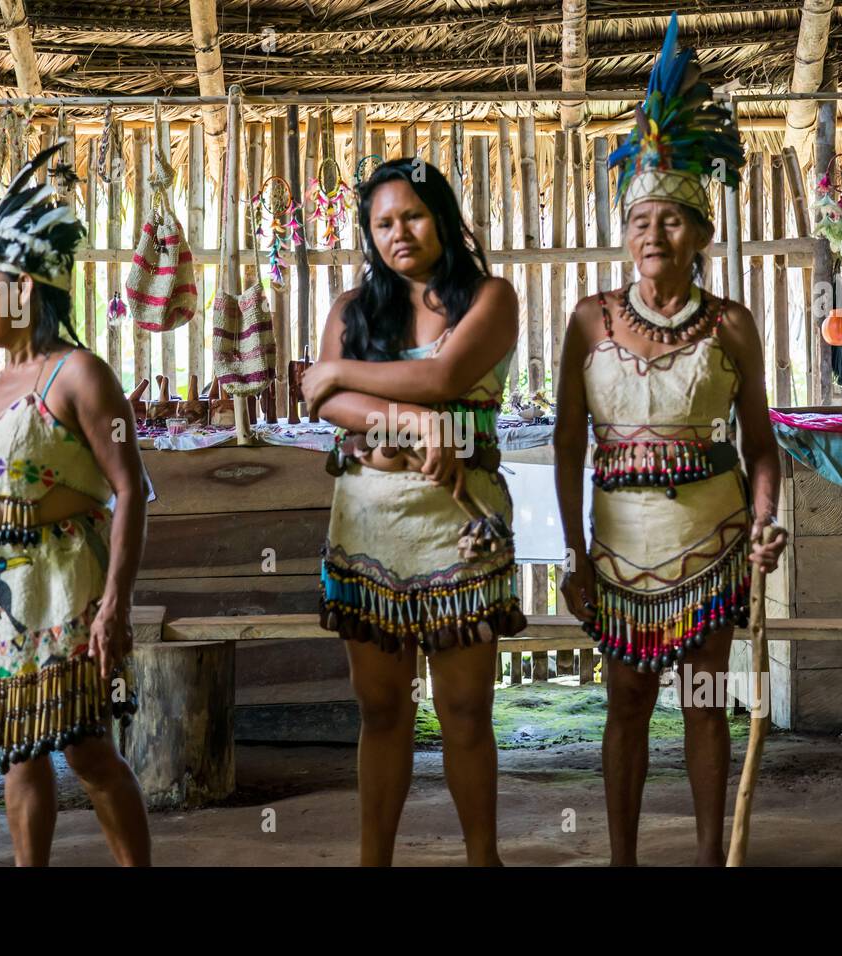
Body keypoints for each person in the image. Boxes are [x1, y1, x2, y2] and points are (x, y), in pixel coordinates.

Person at [553, 13, 786, 866]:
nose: (656, 232)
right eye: (641, 218)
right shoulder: (590, 322)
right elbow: (570, 443)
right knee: (625, 700)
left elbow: (762, 445)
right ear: (625, 230)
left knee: (701, 700)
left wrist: (763, 520)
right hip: (617, 545)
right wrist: (574, 555)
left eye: (674, 219)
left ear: (703, 233)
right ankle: (621, 858)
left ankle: (705, 855)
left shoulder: (730, 325)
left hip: (712, 541)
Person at [298, 158, 527, 866]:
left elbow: (445, 376)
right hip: (367, 522)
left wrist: (336, 370)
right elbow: (324, 403)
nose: (400, 233)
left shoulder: (491, 298)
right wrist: (400, 415)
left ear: (445, 219)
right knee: (382, 710)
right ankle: (375, 861)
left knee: (464, 713)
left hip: (459, 528)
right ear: (370, 234)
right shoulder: (351, 309)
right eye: (384, 223)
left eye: (414, 216)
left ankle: (483, 859)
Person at [0, 142, 152, 866]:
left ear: (25, 291)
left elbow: (132, 488)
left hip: (68, 601)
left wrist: (115, 604)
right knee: (18, 757)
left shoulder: (79, 375)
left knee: (89, 754)